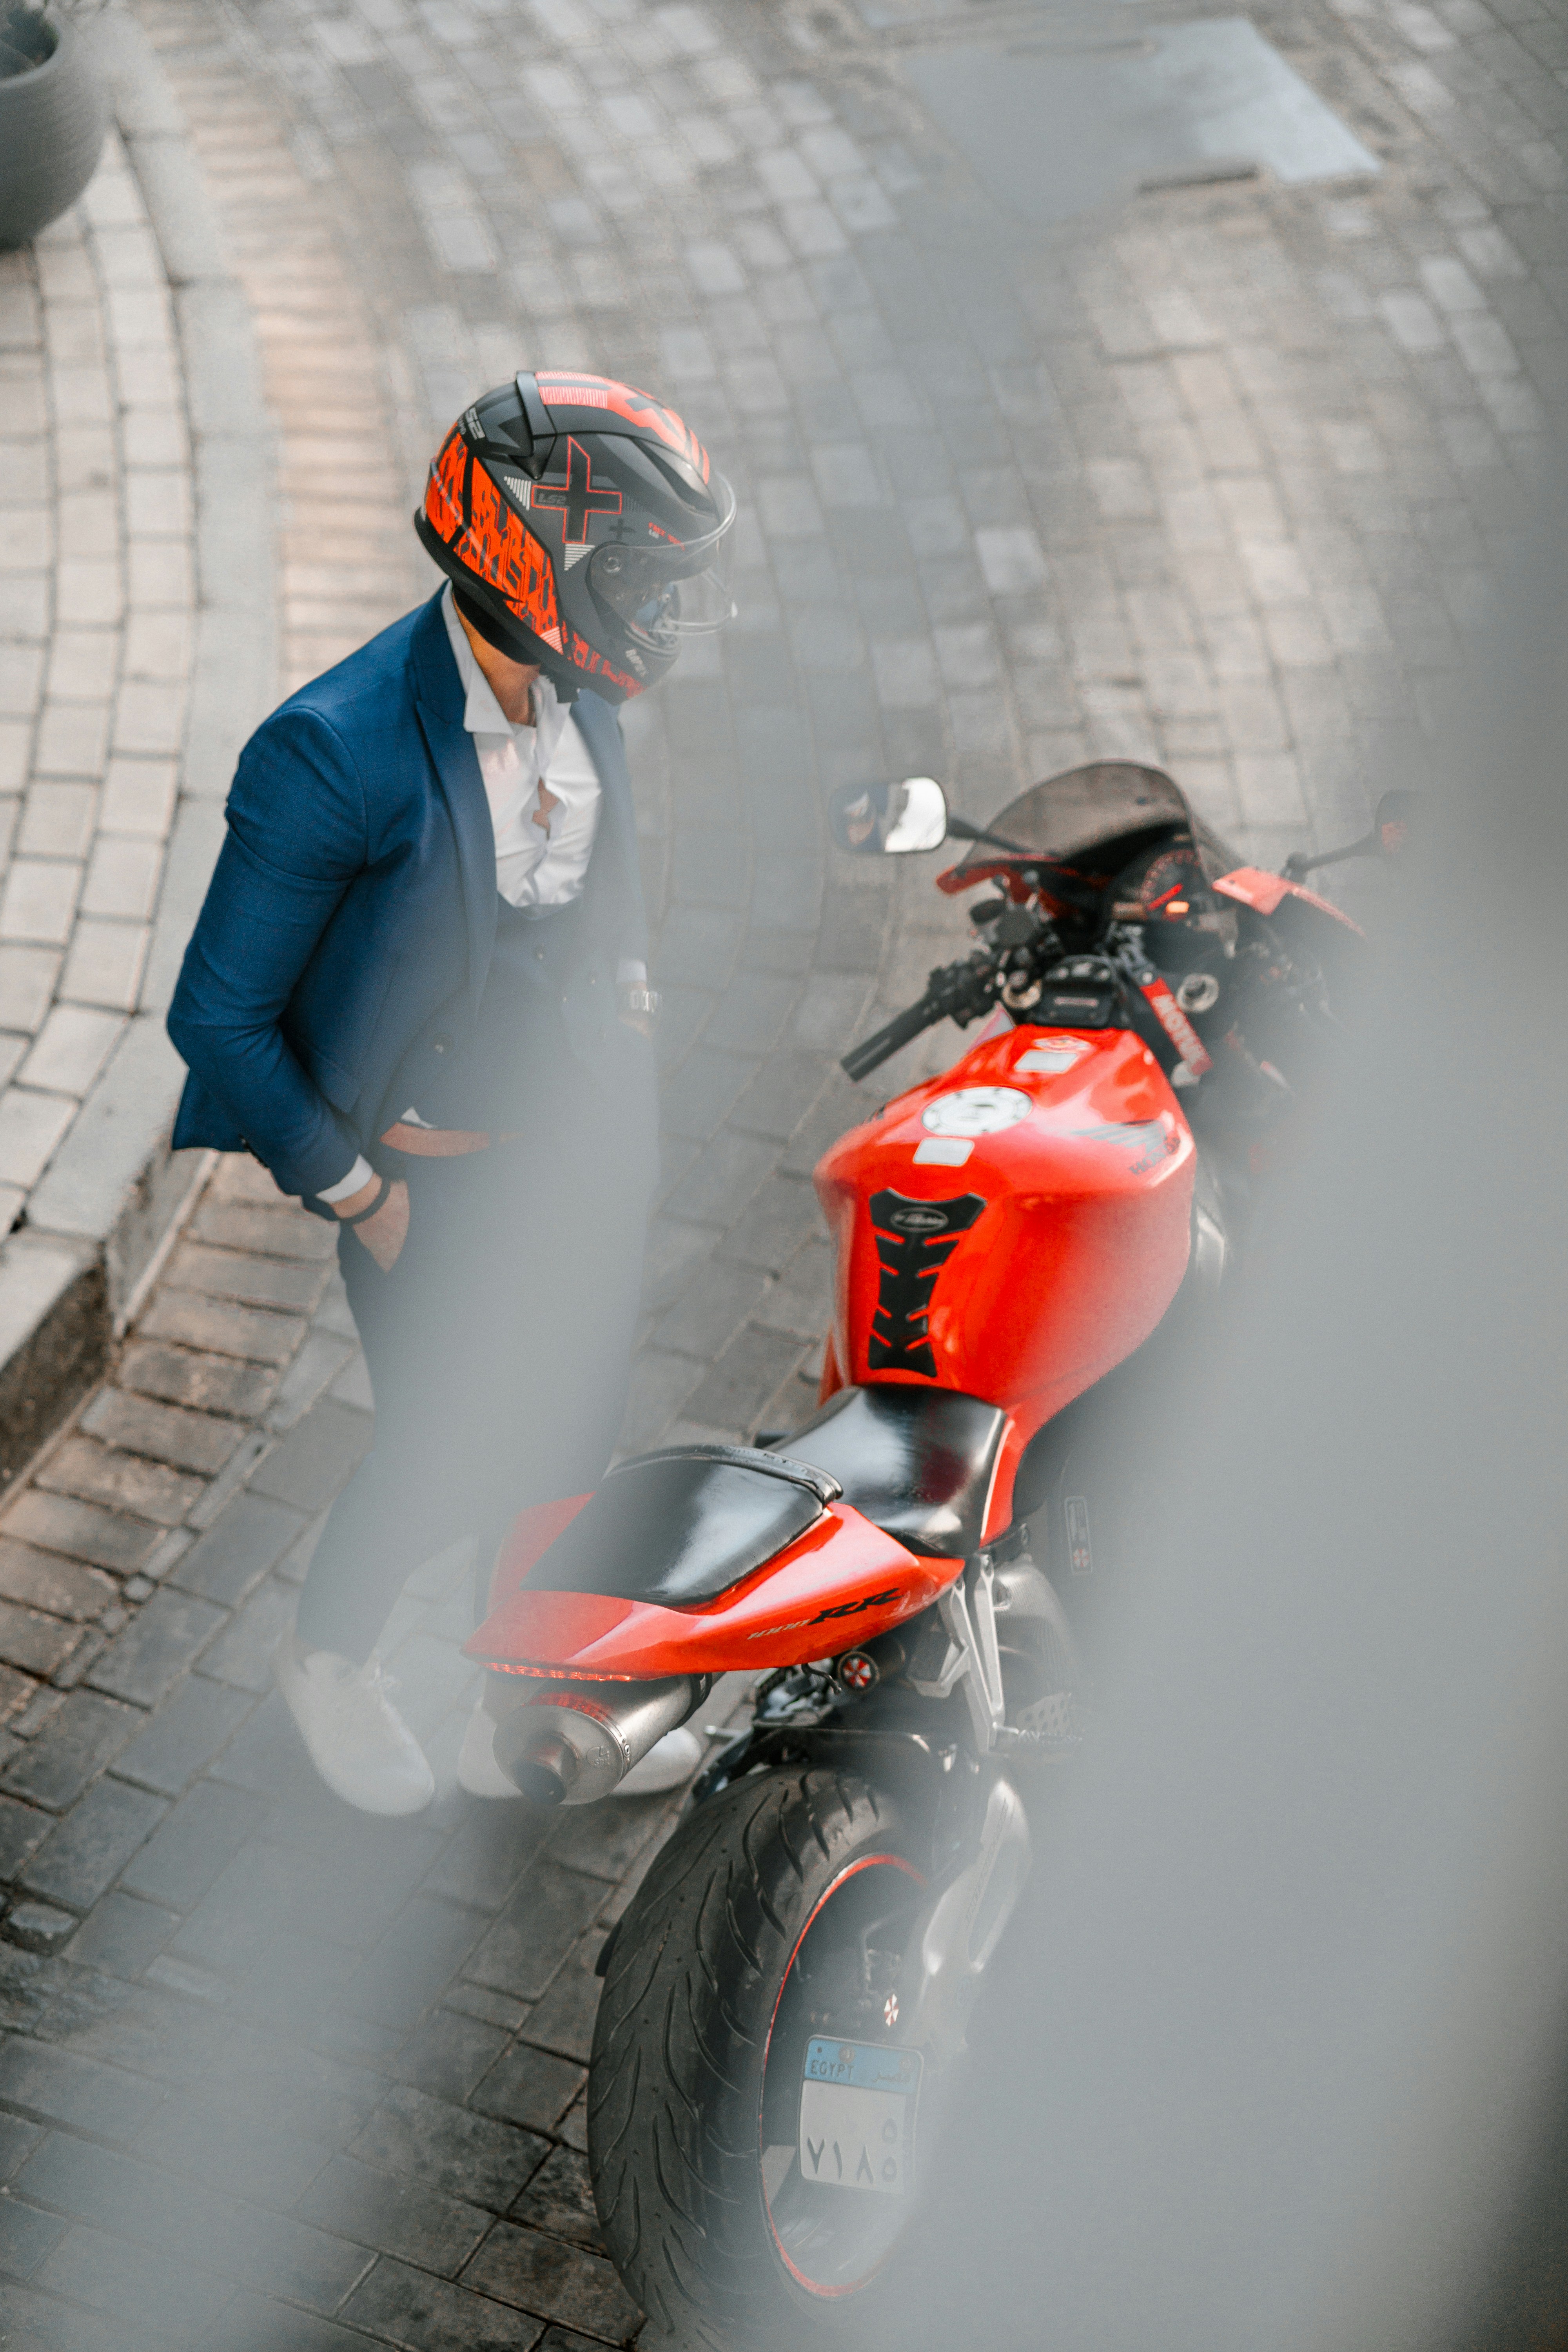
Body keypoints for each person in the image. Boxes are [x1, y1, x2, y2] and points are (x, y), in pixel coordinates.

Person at [167, 371, 735, 1815]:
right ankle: (331, 1657)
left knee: (571, 1438)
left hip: (570, 1161)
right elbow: (216, 1016)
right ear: (529, 563)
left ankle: (514, 1719)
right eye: (639, 576)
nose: (660, 615)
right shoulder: (329, 752)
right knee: (449, 1443)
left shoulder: (584, 702)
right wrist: (360, 1195)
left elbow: (597, 912)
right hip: (424, 1187)